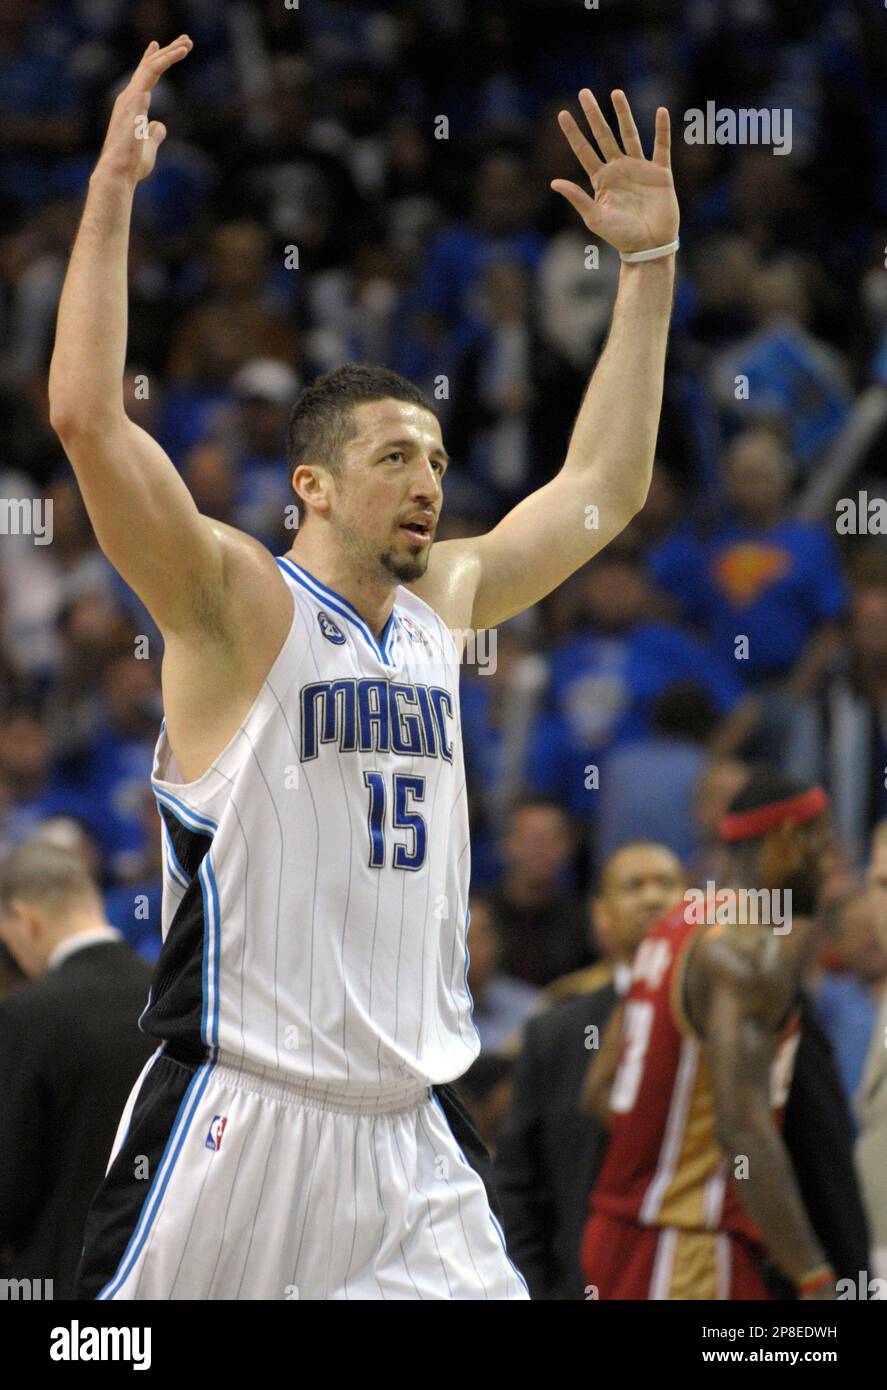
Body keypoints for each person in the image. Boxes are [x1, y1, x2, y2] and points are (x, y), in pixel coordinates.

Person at [49, 36, 678, 1300]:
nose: (430, 480)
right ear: (313, 485)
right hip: (242, 1118)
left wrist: (650, 269)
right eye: (397, 456)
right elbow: (86, 418)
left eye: (438, 458)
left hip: (409, 1135)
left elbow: (601, 492)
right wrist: (112, 195)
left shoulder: (443, 599)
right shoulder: (233, 605)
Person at [581, 771, 843, 1300]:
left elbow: (598, 1091)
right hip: (687, 1250)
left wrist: (661, 1158)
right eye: (824, 844)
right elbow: (743, 1129)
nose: (831, 867)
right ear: (789, 841)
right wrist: (814, 1275)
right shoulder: (748, 951)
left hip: (618, 1238)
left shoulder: (673, 927)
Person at [496, 841, 685, 1299]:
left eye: (667, 884)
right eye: (634, 886)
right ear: (600, 916)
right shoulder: (554, 1035)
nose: (653, 898)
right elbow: (518, 1189)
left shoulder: (726, 1020)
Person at [0, 842, 154, 1299]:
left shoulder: (25, 1015)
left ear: (27, 920)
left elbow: (9, 1185)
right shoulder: (171, 997)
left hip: (56, 1280)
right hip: (165, 1269)